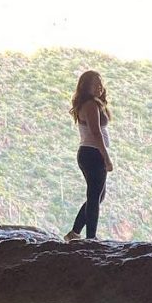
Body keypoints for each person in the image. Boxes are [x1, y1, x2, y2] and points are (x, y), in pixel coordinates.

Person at [65, 69, 114, 241]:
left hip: (89, 153)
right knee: (94, 196)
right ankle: (90, 238)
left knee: (98, 195)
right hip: (93, 153)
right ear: (86, 86)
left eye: (101, 83)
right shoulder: (91, 105)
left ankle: (74, 233)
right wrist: (106, 158)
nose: (100, 87)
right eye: (95, 83)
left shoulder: (91, 103)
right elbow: (96, 133)